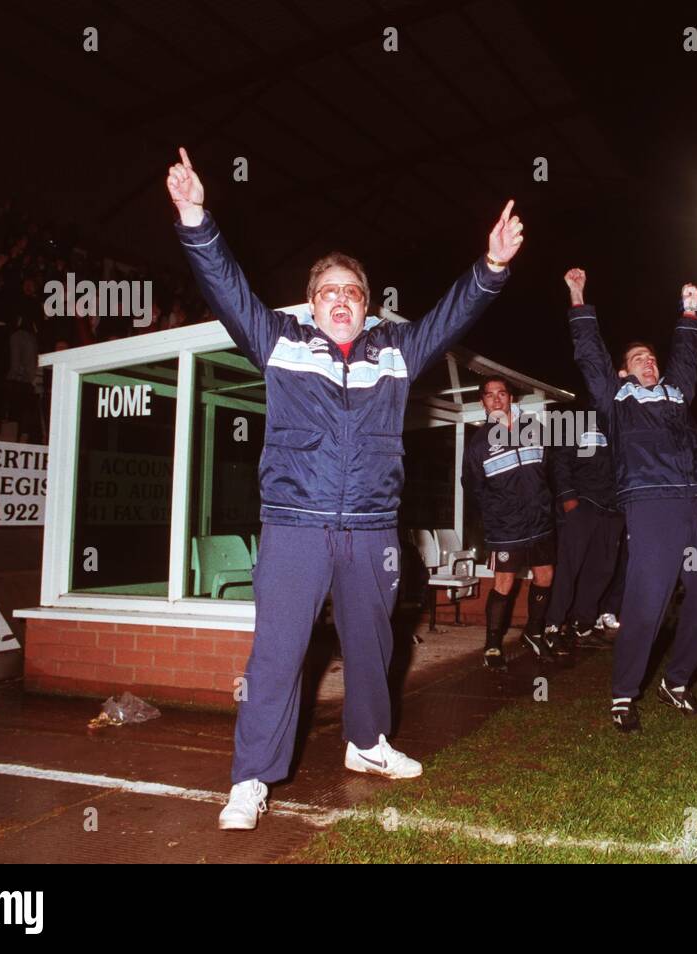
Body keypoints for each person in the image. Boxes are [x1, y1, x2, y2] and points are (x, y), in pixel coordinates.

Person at [166, 147, 523, 830]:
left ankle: (368, 744)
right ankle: (250, 779)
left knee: (373, 646)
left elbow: (451, 316)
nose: (339, 300)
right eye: (327, 290)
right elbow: (225, 284)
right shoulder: (277, 341)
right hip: (295, 522)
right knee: (277, 653)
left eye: (351, 293)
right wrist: (194, 217)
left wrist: (492, 268)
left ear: (367, 307)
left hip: (370, 528)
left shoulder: (396, 353)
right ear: (312, 302)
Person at [566, 268, 697, 732]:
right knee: (647, 600)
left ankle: (676, 681)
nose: (648, 363)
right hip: (651, 504)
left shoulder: (678, 396)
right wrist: (579, 299)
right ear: (623, 372)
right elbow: (591, 355)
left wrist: (690, 310)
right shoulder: (615, 398)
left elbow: (688, 359)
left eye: (651, 357)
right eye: (638, 359)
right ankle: (623, 692)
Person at [461, 375, 561, 670]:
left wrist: (543, 503)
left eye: (501, 393)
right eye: (489, 395)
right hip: (506, 528)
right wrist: (497, 513)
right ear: (482, 403)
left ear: (511, 398)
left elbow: (549, 469)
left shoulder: (534, 429)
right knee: (504, 583)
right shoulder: (478, 444)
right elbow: (472, 485)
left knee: (545, 576)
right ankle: (492, 645)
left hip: (539, 522)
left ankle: (534, 631)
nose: (496, 399)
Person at [545, 406, 624, 649]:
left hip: (613, 509)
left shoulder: (622, 426)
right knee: (569, 567)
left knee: (601, 570)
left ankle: (583, 625)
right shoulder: (580, 421)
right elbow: (560, 460)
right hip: (583, 505)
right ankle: (552, 625)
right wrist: (569, 497)